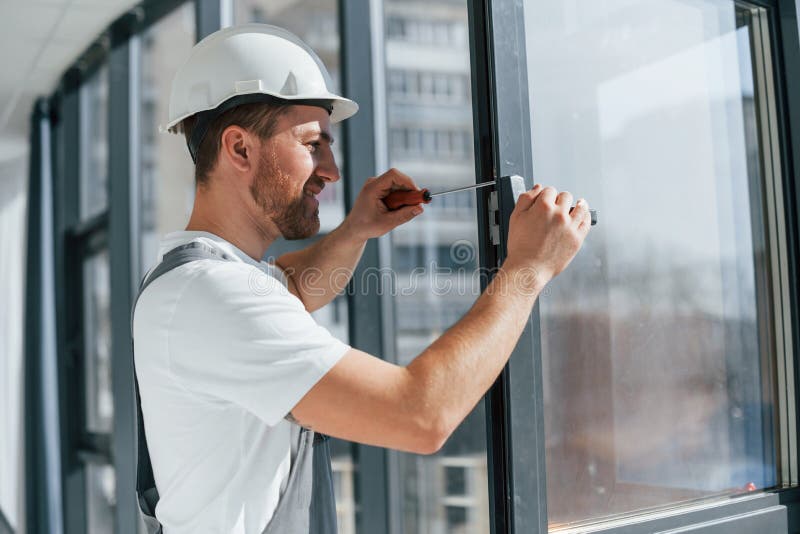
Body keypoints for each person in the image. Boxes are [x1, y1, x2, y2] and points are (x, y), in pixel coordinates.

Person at [131, 23, 591, 534]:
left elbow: (291, 287)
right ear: (240, 149)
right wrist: (528, 270)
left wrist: (356, 230)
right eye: (313, 144)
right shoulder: (212, 294)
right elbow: (420, 415)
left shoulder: (199, 278)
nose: (332, 170)